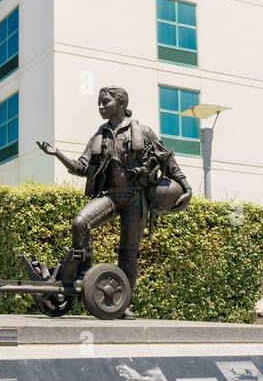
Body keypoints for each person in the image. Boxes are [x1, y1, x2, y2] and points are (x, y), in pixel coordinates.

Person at [37, 86, 191, 294]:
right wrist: (58, 154)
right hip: (111, 196)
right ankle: (85, 274)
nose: (101, 107)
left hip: (135, 198)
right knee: (80, 222)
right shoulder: (98, 137)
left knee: (128, 253)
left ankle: (123, 302)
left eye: (106, 102)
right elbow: (81, 167)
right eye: (99, 103)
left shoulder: (144, 132)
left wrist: (186, 187)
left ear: (122, 104)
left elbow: (168, 159)